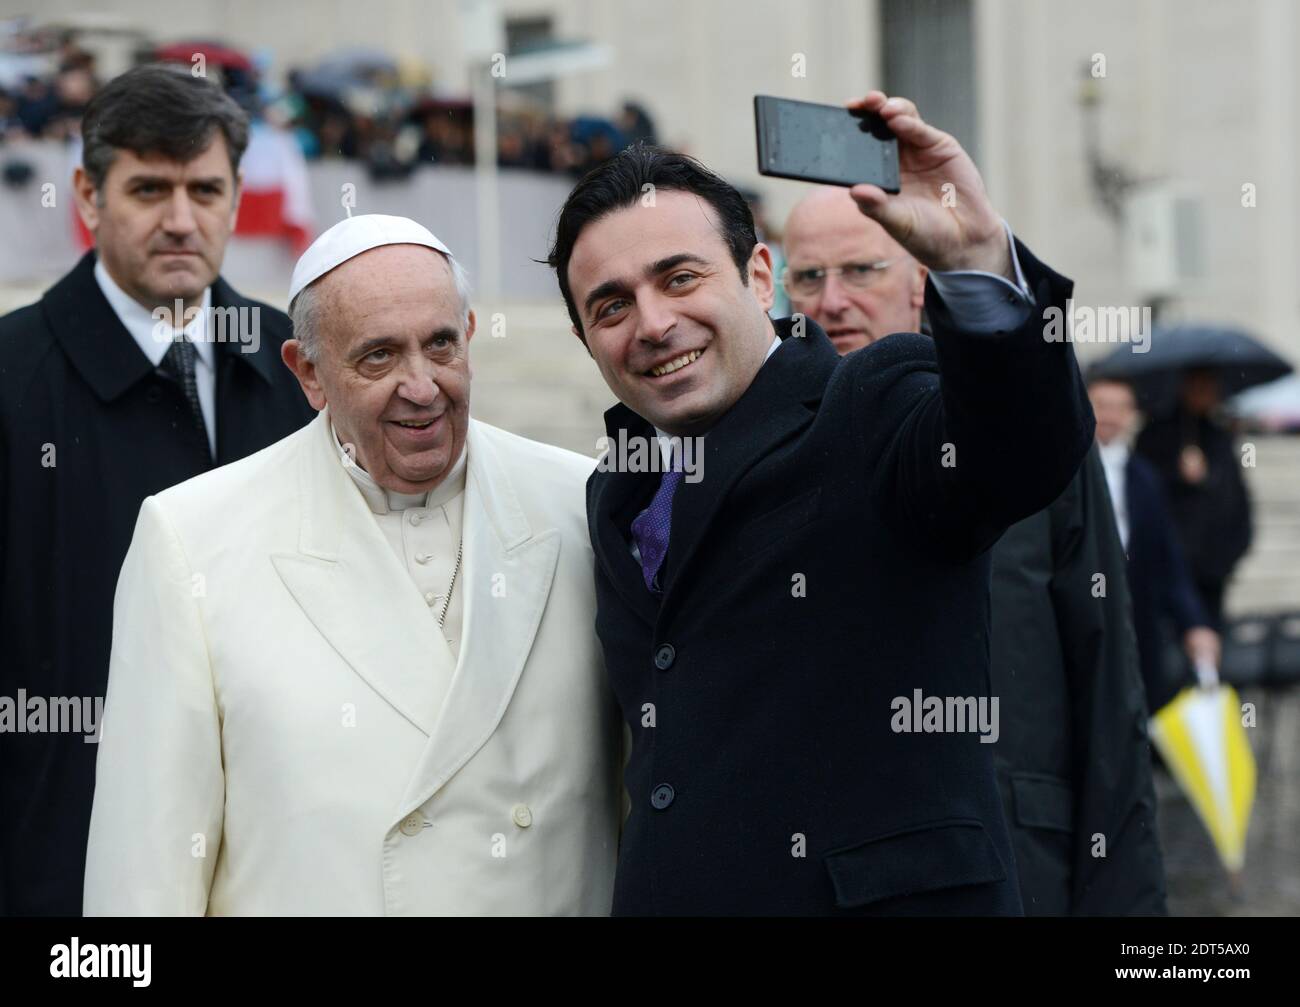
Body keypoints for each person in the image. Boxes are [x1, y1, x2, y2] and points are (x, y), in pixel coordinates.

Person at [548, 91, 1095, 915]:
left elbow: (1020, 452)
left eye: (680, 277)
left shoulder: (870, 401)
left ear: (760, 276)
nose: (653, 323)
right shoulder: (613, 489)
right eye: (612, 305)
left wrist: (977, 259)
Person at [83, 215, 621, 915]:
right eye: (378, 357)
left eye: (440, 345)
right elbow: (144, 869)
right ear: (308, 372)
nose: (422, 386)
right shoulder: (192, 536)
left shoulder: (582, 502)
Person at [782, 185, 1166, 915]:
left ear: (921, 281)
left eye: (861, 271)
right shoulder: (767, 447)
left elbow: (1105, 673)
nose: (830, 301)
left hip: (1020, 863)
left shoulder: (1024, 436)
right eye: (807, 277)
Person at [0, 64, 314, 917]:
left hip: (282, 871)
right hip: (60, 878)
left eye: (204, 189)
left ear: (237, 193)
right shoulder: (10, 377)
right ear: (88, 196)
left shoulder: (306, 368)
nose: (182, 219)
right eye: (148, 188)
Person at [1090, 375, 1221, 713]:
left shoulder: (1145, 478)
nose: (1110, 416)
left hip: (1137, 623)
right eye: (1101, 406)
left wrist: (1194, 624)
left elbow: (1169, 559)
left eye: (1120, 408)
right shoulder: (1064, 473)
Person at [1135, 368, 1253, 628]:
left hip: (1212, 565)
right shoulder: (1157, 434)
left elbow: (1235, 496)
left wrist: (1235, 549)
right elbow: (1144, 490)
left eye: (1210, 386)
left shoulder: (1220, 436)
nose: (1206, 393)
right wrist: (1178, 476)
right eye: (1199, 386)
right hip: (1170, 564)